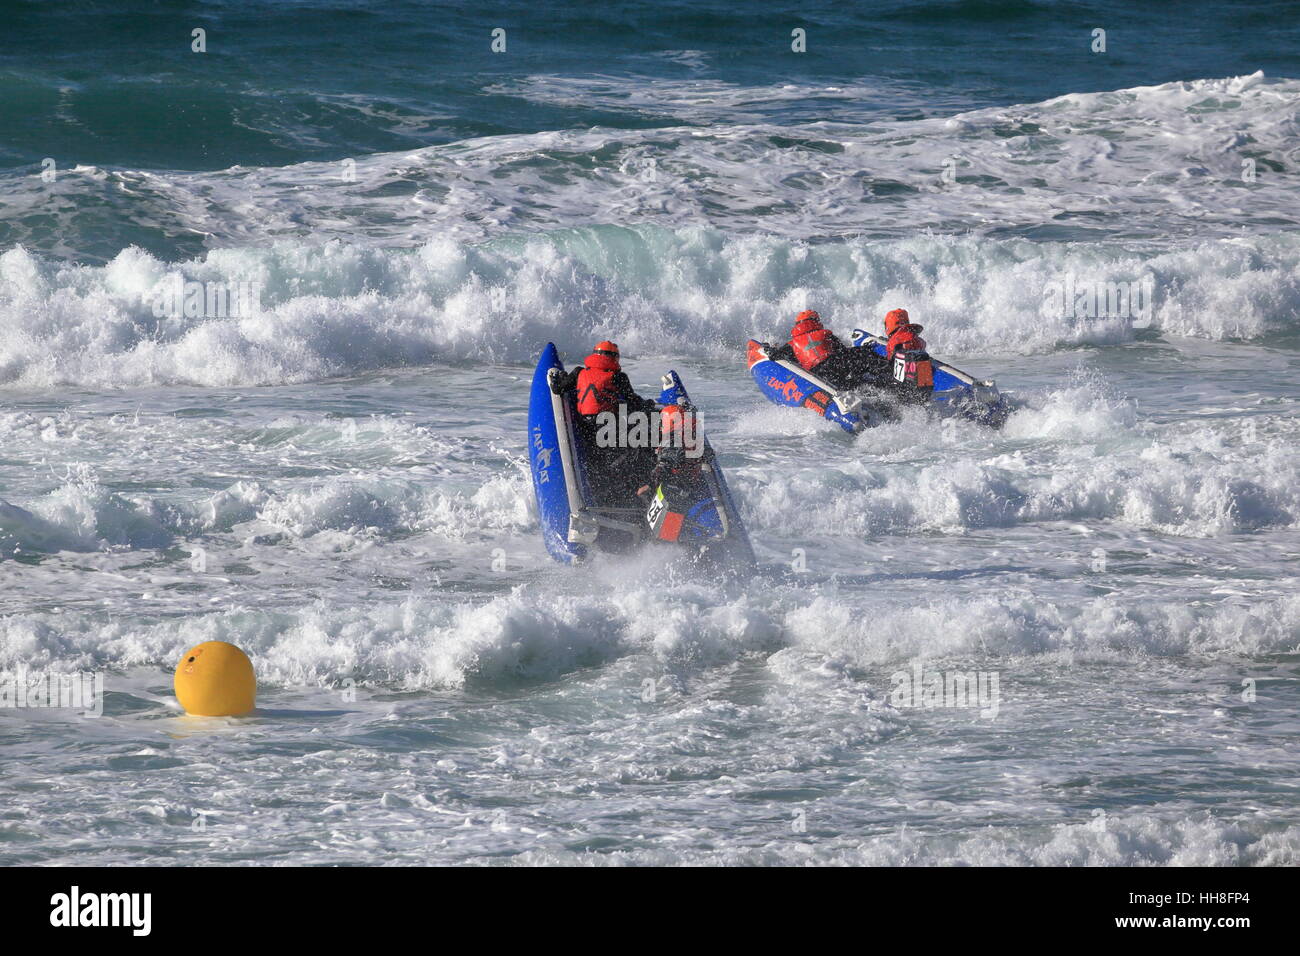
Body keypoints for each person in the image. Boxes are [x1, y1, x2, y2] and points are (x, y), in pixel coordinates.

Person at [551, 340, 658, 504]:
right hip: (606, 429)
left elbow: (558, 387)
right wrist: (650, 406)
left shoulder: (579, 372)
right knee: (642, 443)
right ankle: (641, 485)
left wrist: (560, 376)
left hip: (584, 429)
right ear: (614, 358)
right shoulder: (618, 377)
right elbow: (633, 402)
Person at [766, 310, 887, 391]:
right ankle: (887, 371)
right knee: (863, 353)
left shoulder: (791, 345)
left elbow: (778, 357)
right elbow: (843, 352)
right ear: (815, 321)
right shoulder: (825, 333)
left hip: (817, 376)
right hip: (836, 366)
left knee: (846, 382)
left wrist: (770, 349)